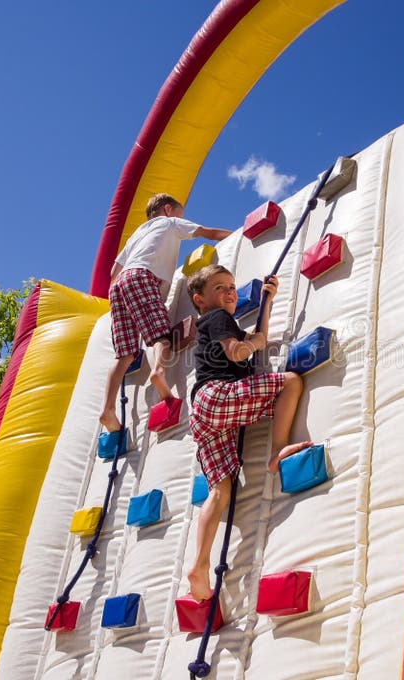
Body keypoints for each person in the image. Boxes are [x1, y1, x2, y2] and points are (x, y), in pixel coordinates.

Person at [186, 264, 312, 601]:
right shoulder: (216, 318)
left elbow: (253, 341)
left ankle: (198, 566)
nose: (229, 292)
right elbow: (240, 351)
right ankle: (278, 449)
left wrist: (266, 303)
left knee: (220, 490)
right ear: (201, 300)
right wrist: (253, 342)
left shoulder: (214, 325)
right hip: (217, 397)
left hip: (202, 411)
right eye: (219, 288)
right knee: (290, 382)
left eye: (231, 286)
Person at [99, 194, 230, 433]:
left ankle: (107, 409)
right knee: (160, 335)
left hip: (117, 287)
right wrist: (236, 235)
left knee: (124, 354)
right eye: (181, 214)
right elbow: (206, 232)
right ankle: (159, 372)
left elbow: (113, 272)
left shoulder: (137, 234)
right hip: (142, 276)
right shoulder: (169, 222)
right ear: (168, 210)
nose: (182, 218)